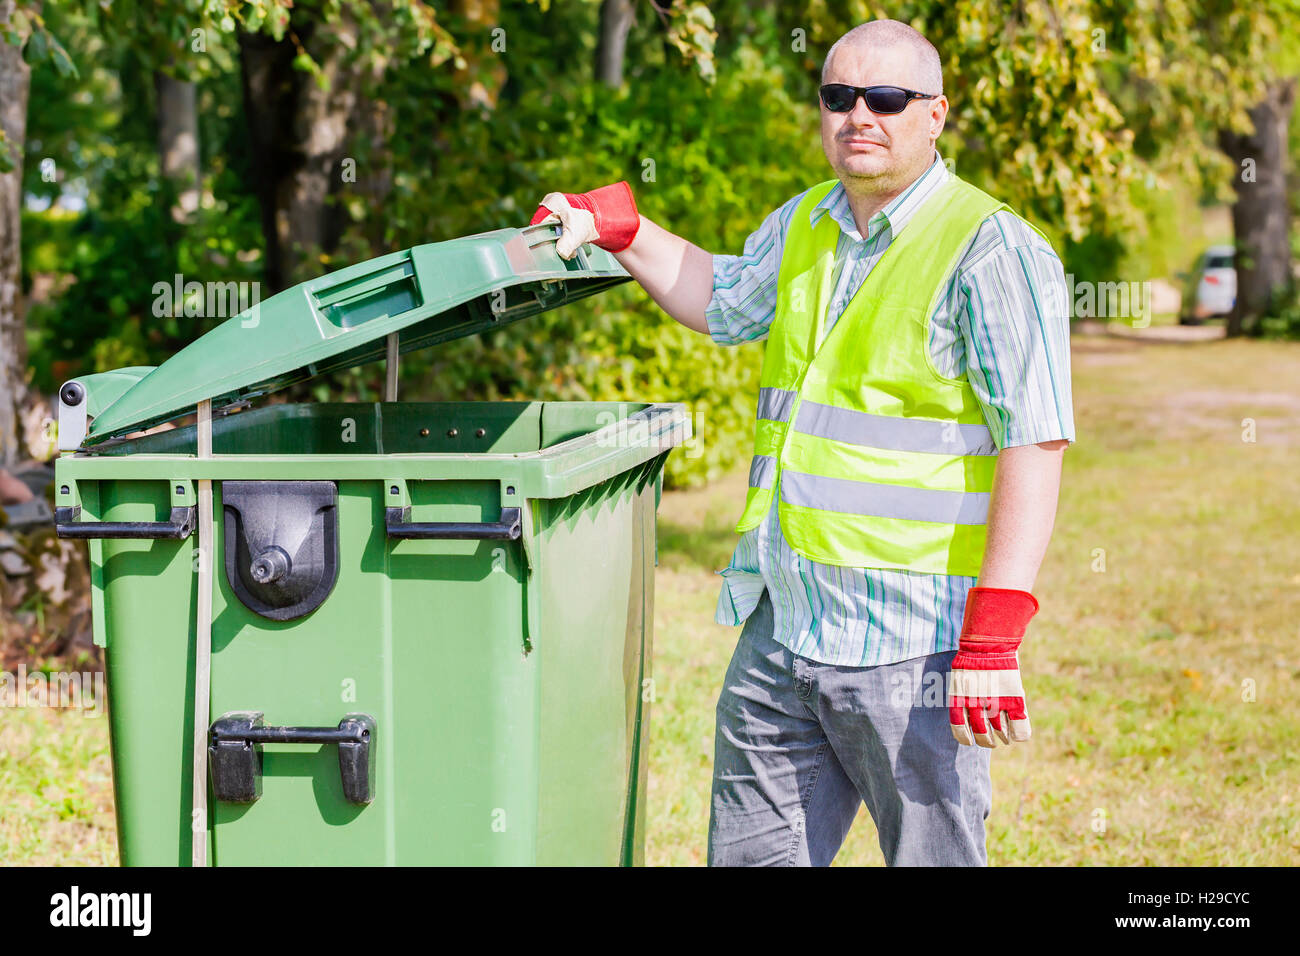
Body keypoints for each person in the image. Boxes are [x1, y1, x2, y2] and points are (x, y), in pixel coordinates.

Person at [530, 18, 1075, 866]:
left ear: (935, 115)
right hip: (783, 627)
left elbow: (1034, 442)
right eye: (838, 96)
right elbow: (723, 298)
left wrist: (994, 639)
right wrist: (624, 230)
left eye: (887, 97)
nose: (860, 114)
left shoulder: (991, 248)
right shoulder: (808, 222)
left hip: (914, 643)